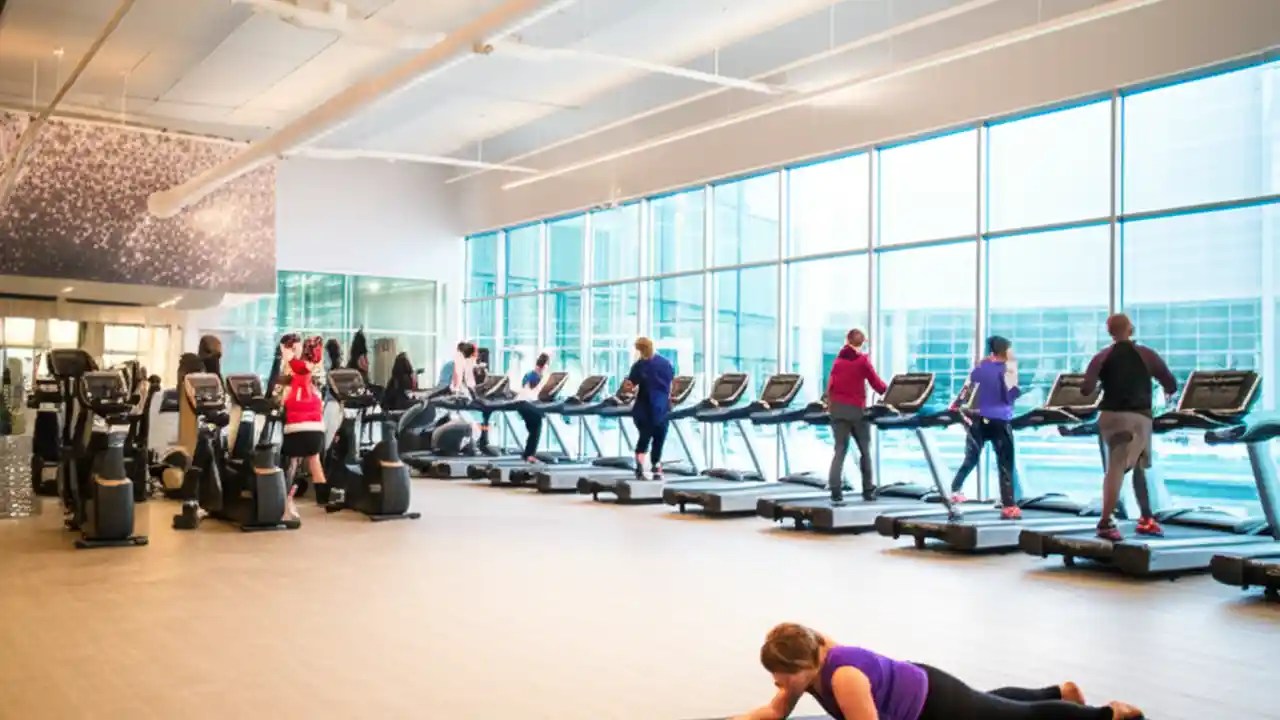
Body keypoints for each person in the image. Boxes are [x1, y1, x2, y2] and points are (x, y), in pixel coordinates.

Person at [736, 622, 1144, 720]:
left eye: (782, 675)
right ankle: (1057, 690)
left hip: (932, 701)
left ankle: (1107, 714)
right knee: (991, 703)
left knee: (1011, 718)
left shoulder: (843, 679)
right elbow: (773, 713)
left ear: (804, 667)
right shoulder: (805, 664)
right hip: (917, 685)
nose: (777, 682)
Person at [1082, 313, 1177, 541]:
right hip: (1137, 417)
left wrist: (1100, 387)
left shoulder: (1102, 356)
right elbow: (1170, 383)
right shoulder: (1146, 354)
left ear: (1110, 332)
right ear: (1131, 329)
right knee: (1121, 466)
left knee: (1134, 466)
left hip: (1108, 417)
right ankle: (1106, 522)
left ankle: (1146, 517)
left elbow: (1086, 389)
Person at [950, 335, 1022, 519]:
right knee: (1005, 463)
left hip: (978, 418)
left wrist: (956, 405)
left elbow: (967, 389)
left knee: (971, 458)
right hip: (999, 419)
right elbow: (1010, 395)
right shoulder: (1008, 368)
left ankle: (954, 490)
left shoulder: (981, 367)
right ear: (1005, 351)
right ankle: (1009, 506)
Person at [826, 329, 887, 504]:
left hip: (836, 410)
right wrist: (890, 393)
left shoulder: (837, 361)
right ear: (862, 343)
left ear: (847, 340)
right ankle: (868, 490)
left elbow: (830, 386)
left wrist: (829, 405)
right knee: (864, 451)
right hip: (855, 411)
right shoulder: (862, 361)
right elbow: (876, 383)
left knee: (839, 450)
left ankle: (835, 491)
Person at [278, 334, 330, 513]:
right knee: (314, 460)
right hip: (316, 428)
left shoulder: (294, 369)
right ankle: (324, 499)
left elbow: (282, 397)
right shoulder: (312, 372)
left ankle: (284, 496)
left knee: (292, 461)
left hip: (296, 426)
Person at [622, 337, 674, 480]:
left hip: (645, 407)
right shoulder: (666, 363)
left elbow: (629, 385)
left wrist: (627, 388)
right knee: (659, 437)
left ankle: (641, 467)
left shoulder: (639, 365)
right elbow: (670, 385)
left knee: (644, 437)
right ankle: (656, 466)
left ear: (639, 350)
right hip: (661, 406)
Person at [516, 353, 550, 463]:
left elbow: (525, 387)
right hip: (528, 403)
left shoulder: (529, 373)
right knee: (536, 427)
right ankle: (529, 454)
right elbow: (535, 390)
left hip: (521, 402)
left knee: (533, 429)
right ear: (545, 365)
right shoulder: (538, 375)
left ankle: (528, 454)